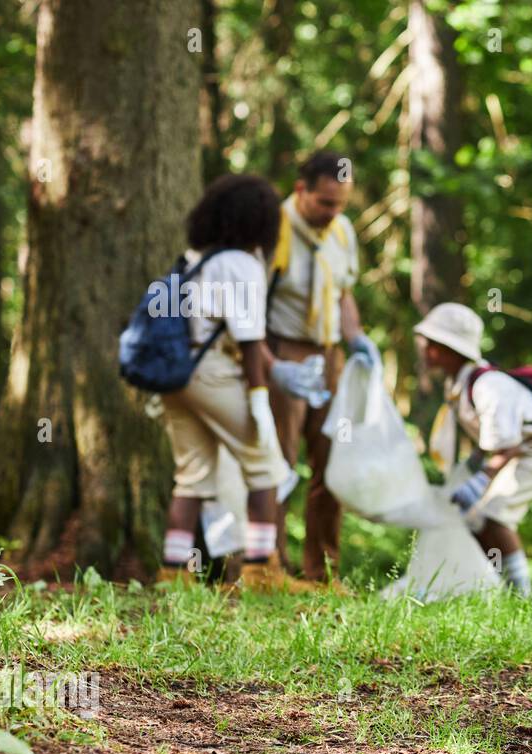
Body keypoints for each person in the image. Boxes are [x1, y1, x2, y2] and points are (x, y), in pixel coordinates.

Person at [158, 174, 329, 591]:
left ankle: (173, 572)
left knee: (193, 474)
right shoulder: (243, 265)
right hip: (216, 374)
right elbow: (250, 342)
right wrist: (259, 397)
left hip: (177, 376)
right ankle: (261, 569)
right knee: (265, 466)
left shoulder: (196, 257)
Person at [265, 150, 379, 585]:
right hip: (286, 353)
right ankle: (270, 565)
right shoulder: (274, 228)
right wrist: (272, 367)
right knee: (278, 462)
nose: (333, 214)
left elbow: (344, 293)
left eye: (341, 205)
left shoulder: (342, 232)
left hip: (330, 354)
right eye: (325, 204)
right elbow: (252, 304)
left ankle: (322, 572)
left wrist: (356, 340)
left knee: (332, 463)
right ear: (301, 190)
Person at [415, 303, 532, 595]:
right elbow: (489, 440)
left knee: (495, 513)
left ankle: (522, 597)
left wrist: (482, 479)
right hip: (518, 450)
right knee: (475, 518)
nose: (424, 349)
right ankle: (498, 585)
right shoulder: (459, 385)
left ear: (446, 348)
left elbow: (508, 444)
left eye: (431, 343)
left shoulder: (487, 385)